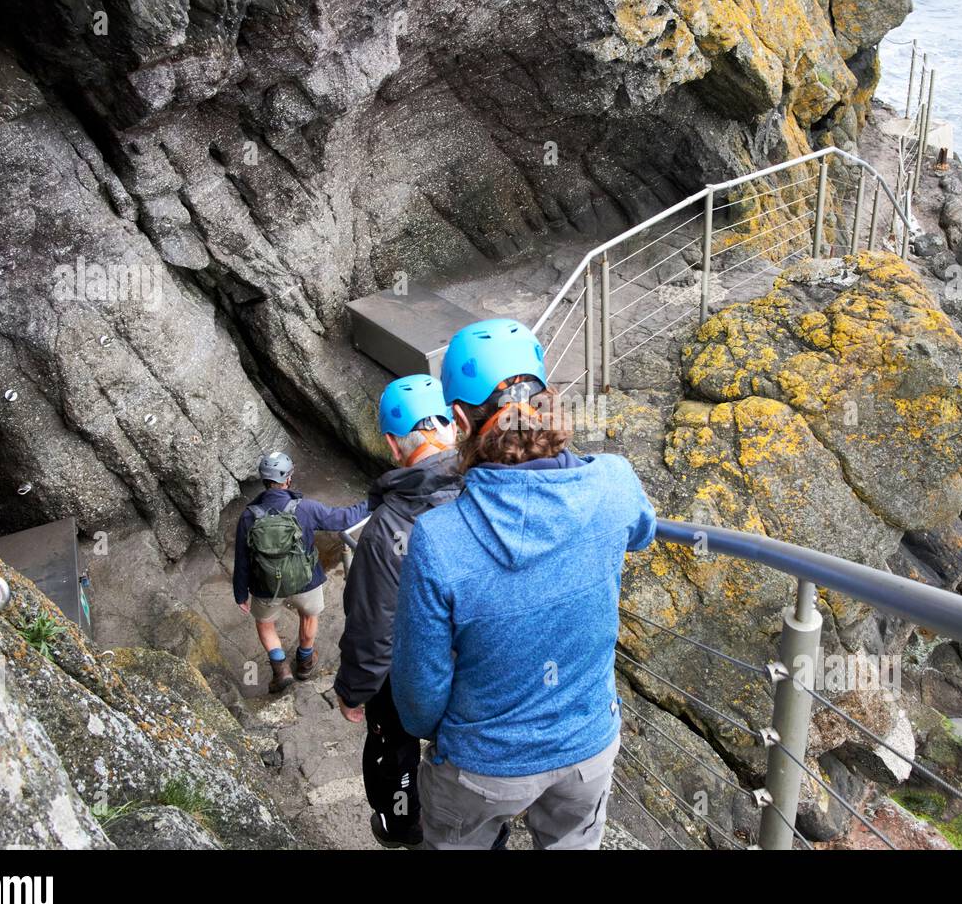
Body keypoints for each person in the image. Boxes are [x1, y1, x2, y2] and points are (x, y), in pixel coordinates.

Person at [392, 318, 657, 850]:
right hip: (587, 747)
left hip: (481, 767)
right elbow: (643, 532)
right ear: (551, 400)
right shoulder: (614, 482)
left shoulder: (438, 538)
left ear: (461, 420)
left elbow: (418, 702)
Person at [334, 375, 464, 849]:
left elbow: (372, 628)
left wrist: (354, 691)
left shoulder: (386, 530)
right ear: (454, 426)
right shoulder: (491, 487)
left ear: (392, 444)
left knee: (395, 745)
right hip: (477, 661)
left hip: (407, 673)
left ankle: (402, 825)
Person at [234, 451, 369, 694]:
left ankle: (281, 671)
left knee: (265, 624)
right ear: (287, 479)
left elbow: (242, 558)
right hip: (306, 581)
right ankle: (305, 663)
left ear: (264, 479)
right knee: (309, 616)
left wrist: (240, 593)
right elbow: (343, 519)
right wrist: (372, 503)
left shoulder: (248, 516)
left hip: (266, 585)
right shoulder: (305, 508)